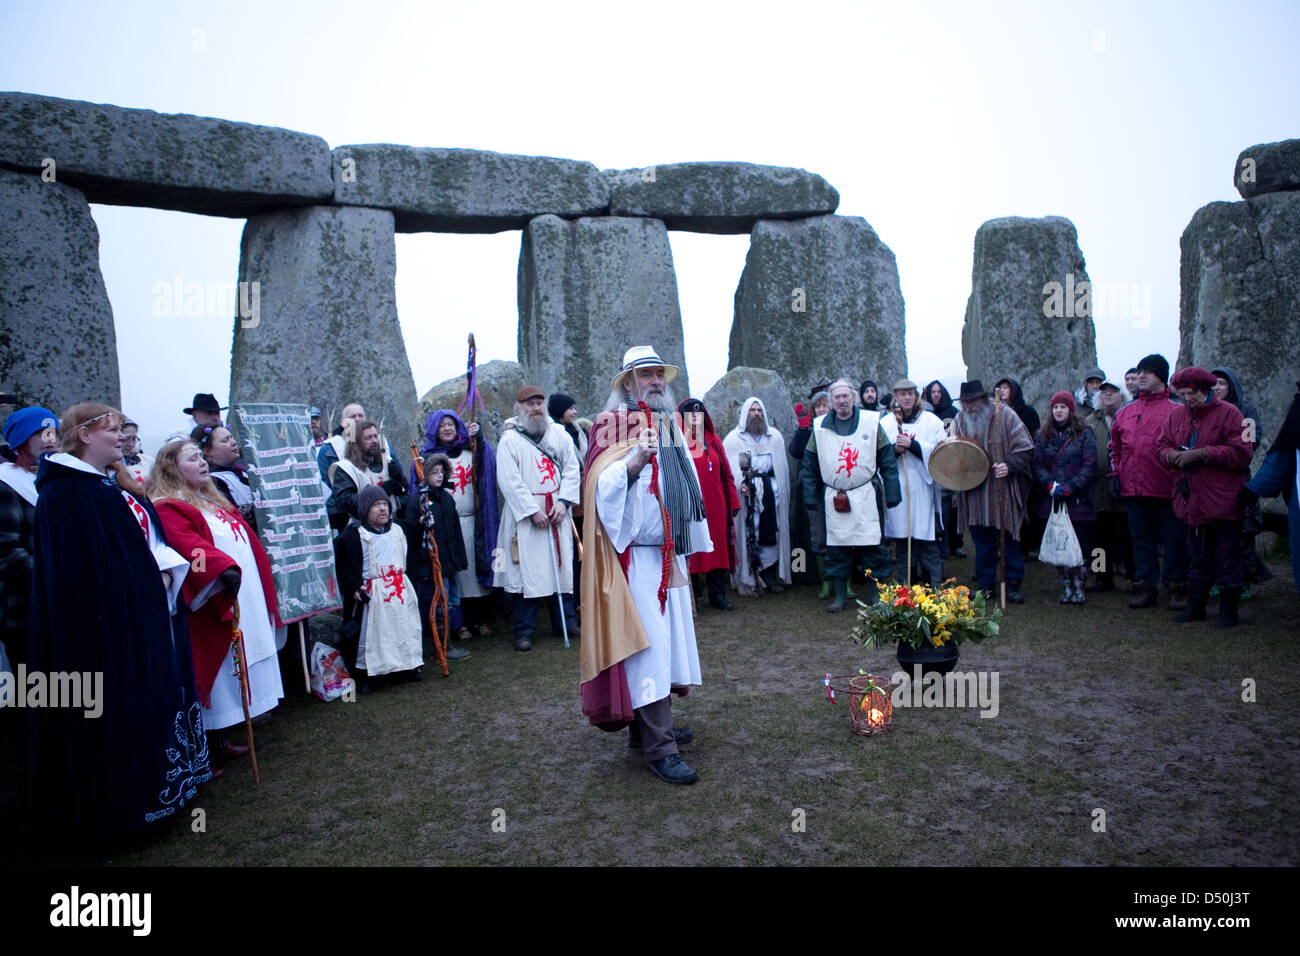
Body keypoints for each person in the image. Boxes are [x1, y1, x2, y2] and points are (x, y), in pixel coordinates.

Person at [28, 403, 209, 853]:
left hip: (138, 613)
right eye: (111, 431)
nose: (120, 438)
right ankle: (131, 809)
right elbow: (77, 575)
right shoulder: (66, 493)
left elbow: (135, 547)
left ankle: (164, 790)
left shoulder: (103, 486)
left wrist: (158, 574)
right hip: (101, 631)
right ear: (85, 435)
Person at [580, 346, 711, 785]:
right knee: (649, 649)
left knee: (667, 644)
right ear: (626, 383)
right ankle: (660, 748)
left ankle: (647, 731)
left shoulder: (671, 425)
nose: (655, 381)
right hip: (632, 557)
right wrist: (633, 463)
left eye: (659, 374)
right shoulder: (608, 426)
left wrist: (694, 538)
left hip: (668, 554)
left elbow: (686, 483)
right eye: (645, 375)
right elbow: (600, 489)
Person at [149, 440, 285, 756]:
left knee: (244, 653)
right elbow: (187, 548)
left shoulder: (211, 500)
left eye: (201, 456)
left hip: (242, 593)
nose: (201, 461)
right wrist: (217, 568)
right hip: (214, 596)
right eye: (191, 457)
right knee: (218, 663)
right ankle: (209, 739)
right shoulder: (167, 505)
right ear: (171, 466)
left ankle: (229, 731)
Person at [1155, 367, 1253, 627]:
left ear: (1205, 390)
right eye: (1182, 394)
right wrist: (1171, 456)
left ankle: (1228, 611)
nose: (1186, 399)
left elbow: (1244, 453)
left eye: (1191, 394)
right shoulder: (1176, 416)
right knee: (1197, 556)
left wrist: (1203, 454)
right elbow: (1161, 445)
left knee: (1226, 556)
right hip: (1191, 499)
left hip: (1224, 499)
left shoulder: (1233, 414)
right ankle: (1195, 607)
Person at [800, 379, 900, 612]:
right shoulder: (819, 427)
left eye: (846, 396)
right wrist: (811, 498)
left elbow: (887, 460)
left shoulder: (871, 423)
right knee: (837, 547)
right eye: (837, 397)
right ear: (831, 401)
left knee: (872, 545)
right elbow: (809, 466)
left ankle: (875, 593)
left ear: (853, 398)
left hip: (865, 493)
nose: (842, 400)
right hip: (835, 497)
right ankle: (840, 596)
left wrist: (892, 493)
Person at [494, 386, 581, 652]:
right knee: (526, 572)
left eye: (539, 403)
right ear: (519, 408)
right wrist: (532, 511)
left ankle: (565, 622)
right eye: (530, 404)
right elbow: (508, 480)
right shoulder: (509, 440)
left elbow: (571, 468)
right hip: (526, 517)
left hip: (556, 512)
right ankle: (525, 630)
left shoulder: (560, 434)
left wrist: (564, 502)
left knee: (561, 568)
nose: (536, 408)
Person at [1109, 354, 1190, 610]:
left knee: (1174, 540)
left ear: (1161, 377)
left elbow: (1187, 447)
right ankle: (1145, 587)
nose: (1141, 375)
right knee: (1141, 541)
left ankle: (1177, 588)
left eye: (1148, 371)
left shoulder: (1179, 411)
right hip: (1134, 489)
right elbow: (1115, 448)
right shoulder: (1125, 412)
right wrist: (1115, 475)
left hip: (1168, 489)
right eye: (1140, 371)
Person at [415, 409, 498, 641]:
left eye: (451, 423)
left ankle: (481, 620)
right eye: (442, 425)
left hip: (474, 523)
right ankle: (458, 625)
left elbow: (486, 464)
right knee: (455, 578)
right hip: (447, 527)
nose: (448, 428)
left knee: (476, 573)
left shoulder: (470, 450)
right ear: (434, 429)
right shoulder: (428, 456)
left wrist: (479, 438)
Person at [334, 485, 424, 689]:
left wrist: (424, 521)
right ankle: (367, 674)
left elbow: (416, 533)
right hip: (372, 593)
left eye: (385, 504)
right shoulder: (353, 536)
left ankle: (405, 667)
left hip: (398, 589)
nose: (383, 509)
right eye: (376, 505)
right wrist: (355, 587)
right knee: (372, 635)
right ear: (365, 510)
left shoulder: (398, 529)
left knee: (402, 629)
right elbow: (344, 566)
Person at [952, 380, 1034, 604]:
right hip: (974, 492)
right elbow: (953, 452)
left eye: (973, 400)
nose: (970, 405)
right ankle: (986, 584)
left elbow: (1026, 446)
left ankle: (1013, 583)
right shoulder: (960, 421)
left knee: (1009, 537)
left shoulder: (1005, 415)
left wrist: (1009, 464)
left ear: (985, 398)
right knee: (982, 542)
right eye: (965, 401)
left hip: (1003, 489)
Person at [0, 407, 57, 670]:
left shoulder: (53, 479)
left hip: (59, 604)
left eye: (54, 431)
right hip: (25, 608)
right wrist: (55, 577)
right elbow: (7, 551)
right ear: (22, 438)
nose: (51, 438)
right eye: (42, 432)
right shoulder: (6, 483)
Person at [399, 453, 470, 662]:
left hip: (450, 563)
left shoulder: (446, 498)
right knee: (439, 605)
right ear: (424, 475)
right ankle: (441, 646)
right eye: (433, 472)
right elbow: (413, 535)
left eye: (441, 472)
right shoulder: (418, 502)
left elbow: (455, 531)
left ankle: (447, 641)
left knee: (452, 602)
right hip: (432, 564)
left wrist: (459, 559)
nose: (439, 476)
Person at [1032, 392, 1098, 603]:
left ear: (1071, 409)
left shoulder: (1084, 433)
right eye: (1055, 407)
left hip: (1078, 500)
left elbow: (1090, 464)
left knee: (1079, 544)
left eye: (1063, 407)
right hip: (1054, 499)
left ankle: (1079, 585)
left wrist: (1071, 487)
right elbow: (1038, 463)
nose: (1058, 410)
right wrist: (1050, 484)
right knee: (1059, 543)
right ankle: (1065, 585)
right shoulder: (1043, 434)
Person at [879, 380, 946, 587]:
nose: (907, 397)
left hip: (923, 486)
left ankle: (932, 587)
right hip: (899, 486)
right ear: (895, 397)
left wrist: (914, 445)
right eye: (902, 394)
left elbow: (941, 451)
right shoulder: (886, 424)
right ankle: (906, 589)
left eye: (910, 393)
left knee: (926, 539)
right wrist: (894, 450)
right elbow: (877, 455)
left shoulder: (931, 421)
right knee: (904, 541)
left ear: (916, 396)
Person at [723, 397, 792, 597]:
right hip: (749, 499)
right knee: (750, 534)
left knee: (773, 533)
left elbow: (782, 470)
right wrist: (741, 484)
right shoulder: (734, 439)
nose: (756, 414)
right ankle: (751, 576)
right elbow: (731, 469)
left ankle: (771, 575)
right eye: (752, 410)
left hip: (773, 497)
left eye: (759, 410)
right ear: (745, 414)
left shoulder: (775, 438)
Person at [678, 398, 740, 610]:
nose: (695, 417)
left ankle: (718, 594)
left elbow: (727, 474)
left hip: (717, 506)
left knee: (718, 549)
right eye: (690, 414)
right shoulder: (677, 442)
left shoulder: (713, 440)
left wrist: (733, 501)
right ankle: (693, 595)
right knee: (693, 548)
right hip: (691, 507)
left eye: (698, 413)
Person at [1243, 380, 1300, 595]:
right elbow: (1282, 452)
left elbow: (1247, 444)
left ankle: (1243, 579)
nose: (1218, 388)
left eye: (1222, 383)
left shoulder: (1245, 411)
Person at [1084, 380, 1133, 591]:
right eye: (1104, 392)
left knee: (1128, 534)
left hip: (1126, 485)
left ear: (1123, 396)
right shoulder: (1089, 422)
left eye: (1113, 391)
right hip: (1098, 487)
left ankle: (1134, 577)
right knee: (1099, 536)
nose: (1108, 395)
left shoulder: (1131, 417)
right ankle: (1102, 577)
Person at [326, 420, 407, 530]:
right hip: (360, 529)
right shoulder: (345, 469)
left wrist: (400, 480)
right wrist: (380, 492)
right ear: (357, 443)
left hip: (390, 526)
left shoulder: (384, 463)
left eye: (375, 436)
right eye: (368, 438)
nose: (374, 441)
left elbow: (403, 492)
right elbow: (345, 502)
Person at [790, 389, 832, 590]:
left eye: (825, 405)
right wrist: (802, 428)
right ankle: (811, 574)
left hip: (833, 488)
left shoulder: (837, 428)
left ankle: (840, 579)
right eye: (818, 406)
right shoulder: (808, 429)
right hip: (810, 489)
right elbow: (796, 451)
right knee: (813, 536)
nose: (822, 409)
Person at [193, 424, 257, 529]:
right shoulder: (214, 481)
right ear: (208, 452)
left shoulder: (244, 471)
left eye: (231, 438)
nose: (233, 442)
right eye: (225, 441)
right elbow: (231, 517)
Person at [119, 416, 154, 484]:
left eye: (134, 439)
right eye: (126, 439)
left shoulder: (147, 460)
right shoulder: (107, 466)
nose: (131, 444)